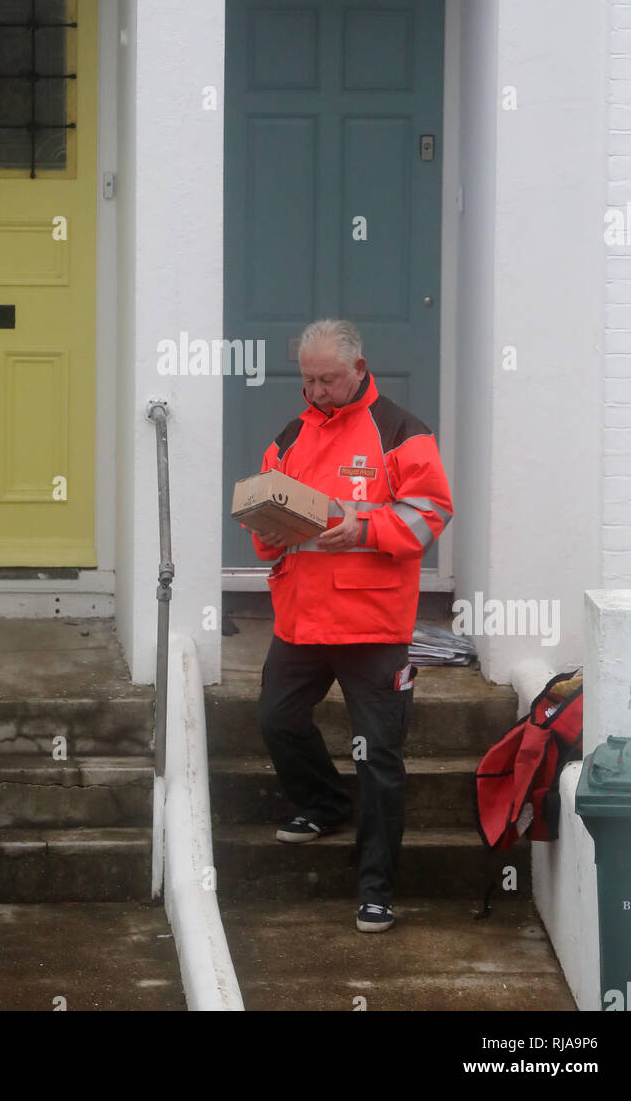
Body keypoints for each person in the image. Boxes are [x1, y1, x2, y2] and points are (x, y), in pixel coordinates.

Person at [249, 318, 453, 932]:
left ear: (360, 370)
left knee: (379, 760)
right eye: (309, 380)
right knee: (276, 719)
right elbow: (269, 531)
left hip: (373, 625)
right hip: (301, 621)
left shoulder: (400, 431)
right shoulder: (289, 436)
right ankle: (324, 804)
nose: (317, 391)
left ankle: (376, 889)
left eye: (328, 380)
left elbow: (432, 513)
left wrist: (363, 528)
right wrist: (264, 530)